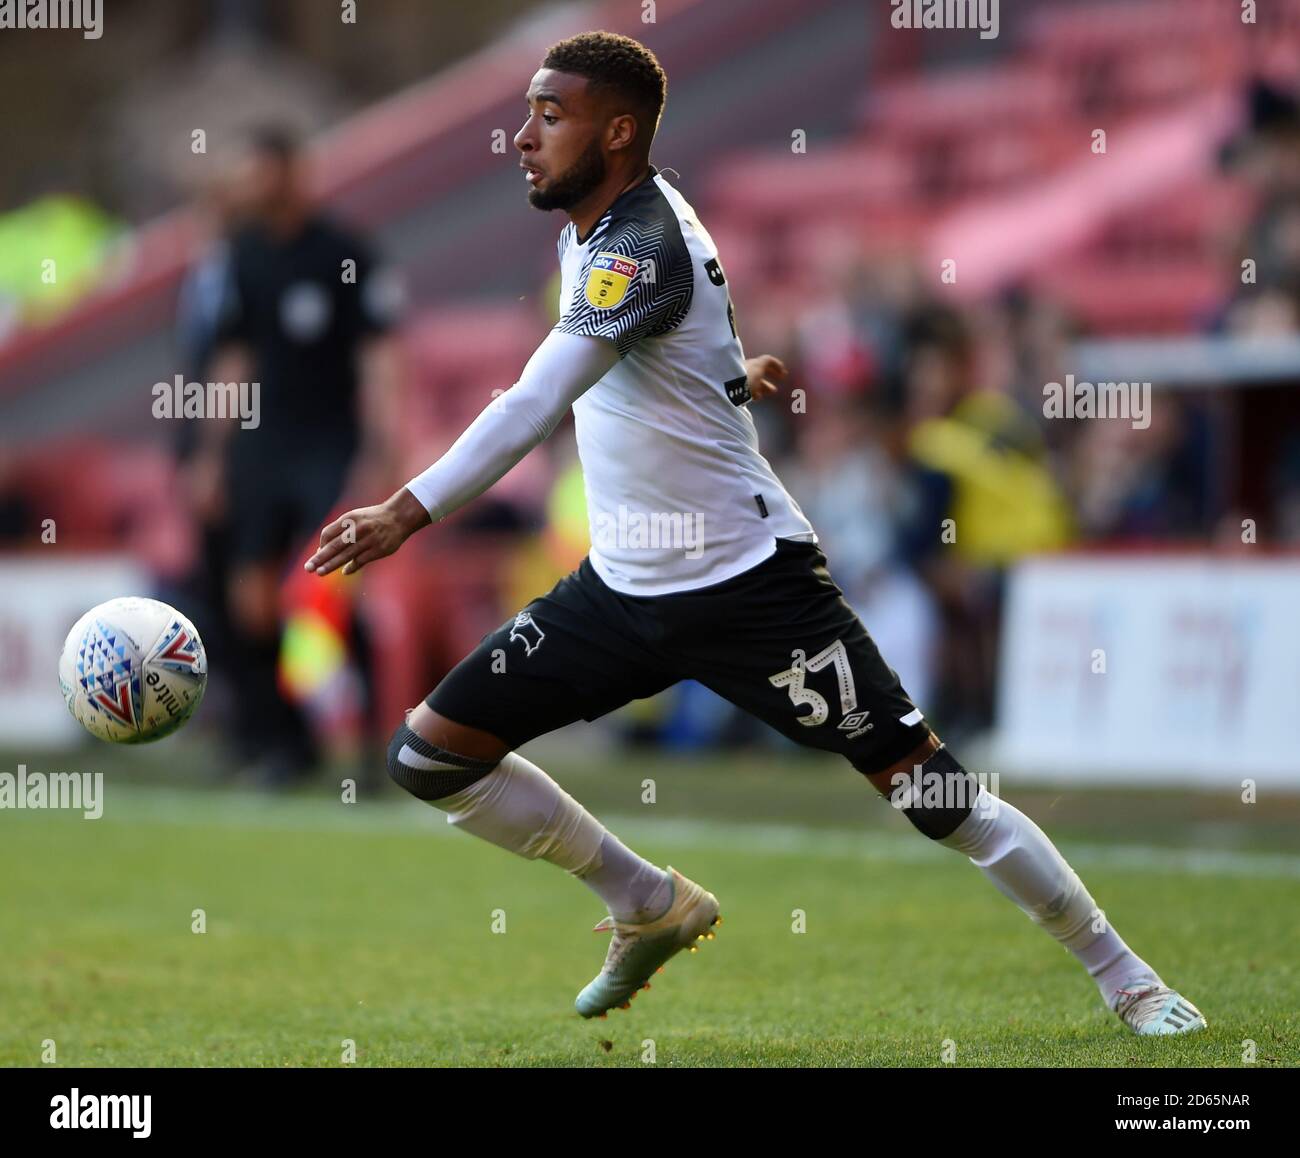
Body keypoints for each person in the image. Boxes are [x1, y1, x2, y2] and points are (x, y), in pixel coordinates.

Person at [306, 32, 1204, 1035]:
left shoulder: (642, 242)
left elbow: (536, 400)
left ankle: (1127, 977)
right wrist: (735, 379)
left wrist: (408, 509)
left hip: (749, 588)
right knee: (431, 759)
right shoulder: (601, 228)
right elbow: (676, 352)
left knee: (932, 792)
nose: (521, 137)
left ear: (616, 131)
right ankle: (645, 900)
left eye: (548, 117)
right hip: (620, 591)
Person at [198, 126, 402, 785]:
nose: (250, 186)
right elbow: (233, 359)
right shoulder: (243, 255)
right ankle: (286, 744)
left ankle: (372, 745)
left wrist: (381, 445)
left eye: (260, 172)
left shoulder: (344, 253)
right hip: (262, 445)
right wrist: (209, 453)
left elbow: (380, 353)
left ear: (291, 173)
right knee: (252, 598)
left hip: (328, 442)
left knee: (332, 592)